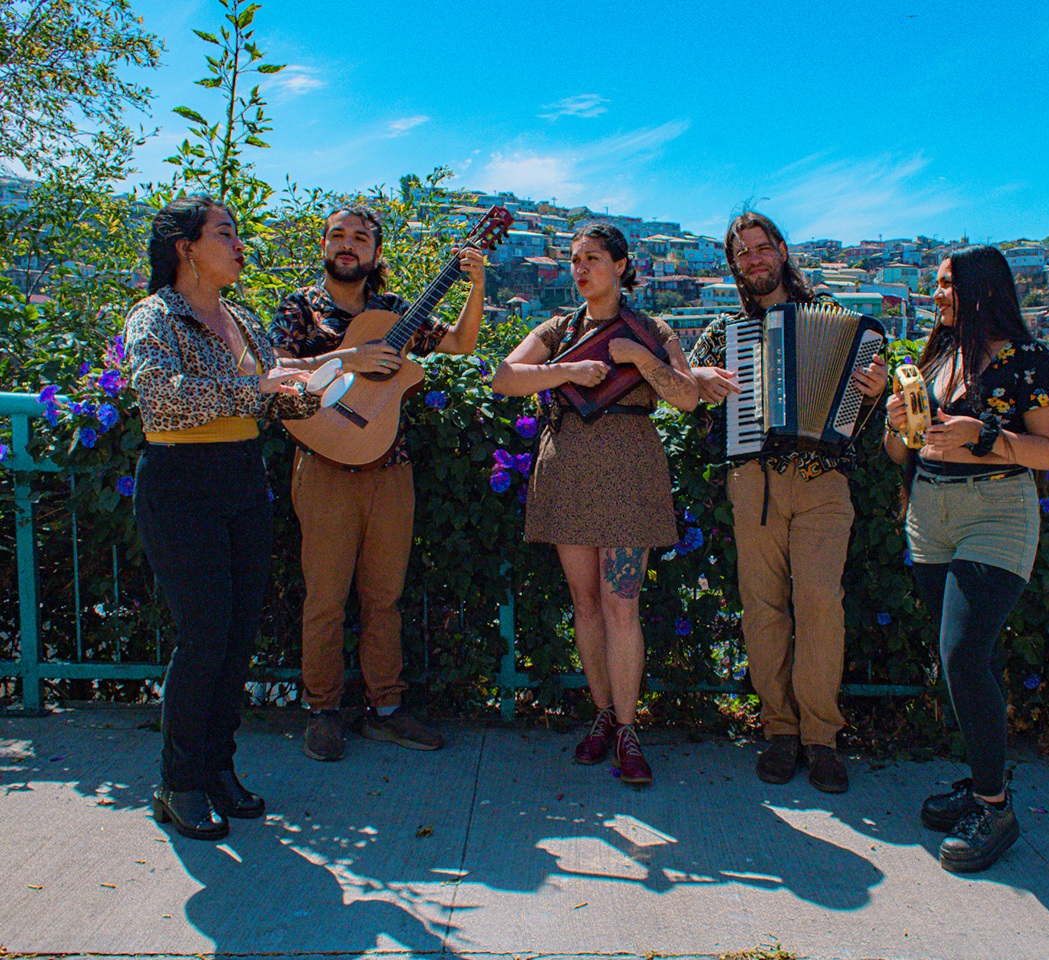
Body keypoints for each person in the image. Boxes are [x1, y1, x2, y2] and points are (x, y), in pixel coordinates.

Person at [126, 195, 318, 841]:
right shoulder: (154, 316)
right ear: (186, 248)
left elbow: (270, 392)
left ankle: (218, 770)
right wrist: (257, 391)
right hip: (180, 483)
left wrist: (305, 392)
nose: (240, 245)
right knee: (204, 633)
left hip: (241, 476)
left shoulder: (239, 315)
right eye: (226, 234)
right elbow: (161, 397)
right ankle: (177, 783)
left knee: (237, 634)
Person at [270, 206, 486, 762]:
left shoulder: (396, 312)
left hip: (390, 467)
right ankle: (322, 711)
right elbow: (278, 370)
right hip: (324, 465)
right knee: (324, 598)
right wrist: (349, 356)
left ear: (376, 254)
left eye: (360, 238)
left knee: (384, 598)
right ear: (324, 245)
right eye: (338, 235)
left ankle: (385, 710)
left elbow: (461, 344)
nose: (348, 245)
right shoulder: (300, 305)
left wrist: (476, 283)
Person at [883, 245, 1049, 873]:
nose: (935, 294)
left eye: (945, 284)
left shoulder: (1029, 361)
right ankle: (981, 778)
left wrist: (983, 436)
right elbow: (902, 451)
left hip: (997, 514)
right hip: (930, 513)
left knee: (965, 654)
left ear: (982, 290)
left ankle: (995, 807)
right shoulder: (937, 356)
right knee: (955, 658)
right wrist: (894, 426)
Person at [491, 223, 698, 785]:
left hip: (630, 473)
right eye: (575, 259)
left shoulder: (653, 328)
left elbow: (685, 398)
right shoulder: (558, 328)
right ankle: (603, 717)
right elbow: (504, 377)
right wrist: (567, 370)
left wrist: (641, 358)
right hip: (569, 472)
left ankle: (629, 732)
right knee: (584, 602)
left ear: (623, 266)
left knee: (620, 604)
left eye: (593, 259)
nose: (581, 269)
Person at [689, 211, 888, 793]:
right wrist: (703, 380)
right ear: (734, 267)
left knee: (822, 601)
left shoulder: (835, 318)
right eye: (741, 253)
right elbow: (691, 391)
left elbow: (867, 409)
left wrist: (874, 391)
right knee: (763, 607)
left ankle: (822, 737)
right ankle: (780, 729)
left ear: (780, 249)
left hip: (824, 477)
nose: (753, 259)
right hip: (754, 478)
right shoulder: (724, 332)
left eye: (760, 247)